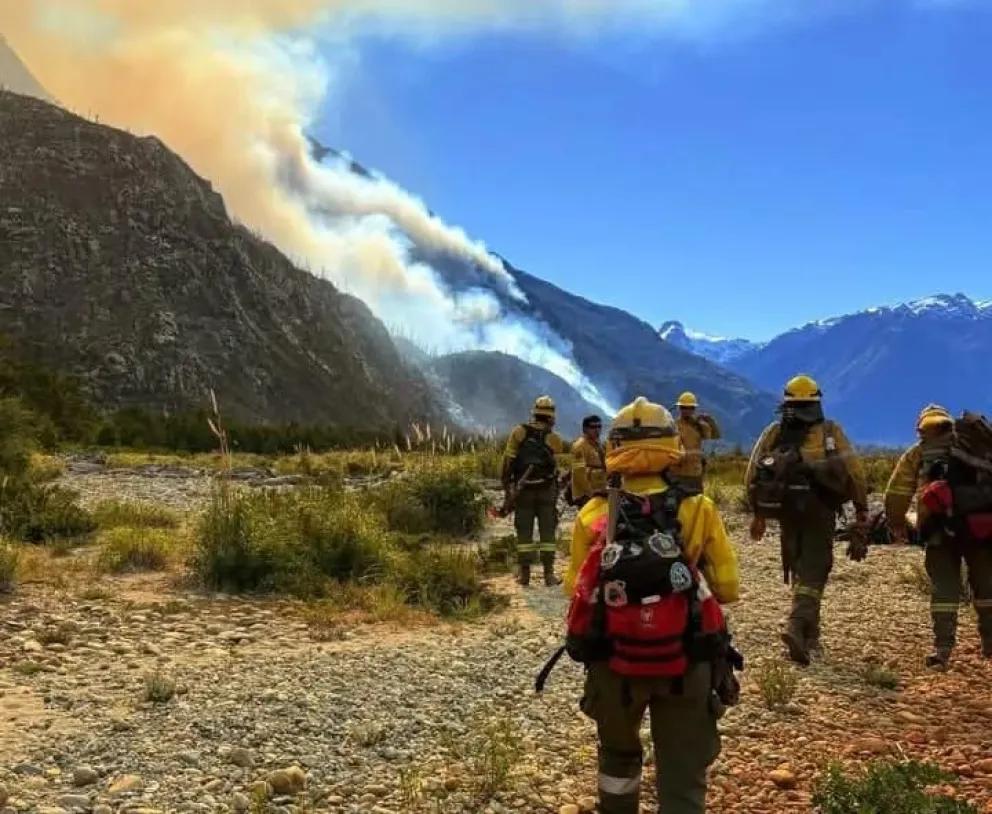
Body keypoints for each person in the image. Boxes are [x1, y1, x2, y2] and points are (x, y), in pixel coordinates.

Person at [562, 397, 740, 814]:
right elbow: (728, 589)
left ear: (614, 451)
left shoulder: (592, 515)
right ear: (672, 448)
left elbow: (574, 589)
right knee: (682, 774)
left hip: (614, 661)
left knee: (618, 763)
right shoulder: (699, 508)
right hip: (686, 658)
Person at [745, 374, 868, 666]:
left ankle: (812, 635)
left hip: (786, 511)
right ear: (817, 402)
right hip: (820, 510)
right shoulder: (830, 430)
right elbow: (854, 470)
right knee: (816, 569)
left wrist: (758, 514)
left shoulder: (774, 432)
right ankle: (797, 625)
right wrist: (861, 508)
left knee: (799, 564)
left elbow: (752, 473)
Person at [884, 405, 992, 667]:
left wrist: (896, 522)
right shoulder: (975, 447)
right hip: (980, 528)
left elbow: (897, 491)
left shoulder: (919, 453)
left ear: (921, 428)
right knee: (987, 587)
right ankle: (990, 644)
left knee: (944, 590)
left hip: (938, 531)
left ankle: (943, 650)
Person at [501, 396, 569, 587]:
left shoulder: (519, 432)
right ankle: (549, 575)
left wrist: (508, 488)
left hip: (523, 492)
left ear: (534, 414)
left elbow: (508, 462)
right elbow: (556, 468)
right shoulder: (555, 439)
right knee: (548, 533)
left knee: (524, 534)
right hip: (547, 491)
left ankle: (525, 575)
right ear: (551, 418)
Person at [670, 392, 722, 494]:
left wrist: (711, 421)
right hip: (678, 473)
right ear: (679, 408)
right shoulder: (673, 426)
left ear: (693, 409)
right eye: (684, 408)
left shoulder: (698, 426)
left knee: (696, 501)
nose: (686, 411)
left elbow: (715, 436)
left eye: (689, 408)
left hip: (695, 473)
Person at [570, 414, 607, 507]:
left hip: (598, 491)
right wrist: (590, 492)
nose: (597, 430)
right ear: (585, 429)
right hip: (586, 494)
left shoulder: (598, 445)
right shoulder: (580, 446)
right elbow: (579, 473)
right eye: (593, 427)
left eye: (599, 426)